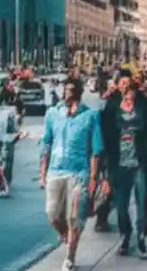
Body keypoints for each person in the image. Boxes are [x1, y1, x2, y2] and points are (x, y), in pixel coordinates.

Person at [99, 69, 147, 259]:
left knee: (142, 202)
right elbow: (102, 134)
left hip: (140, 163)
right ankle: (125, 235)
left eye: (129, 86)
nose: (126, 89)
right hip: (118, 163)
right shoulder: (111, 108)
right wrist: (103, 166)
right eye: (123, 84)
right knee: (121, 205)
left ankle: (141, 238)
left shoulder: (143, 107)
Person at [40, 77, 104, 271]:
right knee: (52, 214)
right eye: (66, 90)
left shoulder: (91, 116)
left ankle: (69, 258)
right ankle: (66, 237)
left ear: (79, 92)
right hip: (55, 171)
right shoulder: (52, 114)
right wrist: (42, 172)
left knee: (75, 217)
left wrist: (93, 178)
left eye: (72, 90)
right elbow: (46, 143)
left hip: (80, 173)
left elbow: (96, 150)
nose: (69, 94)